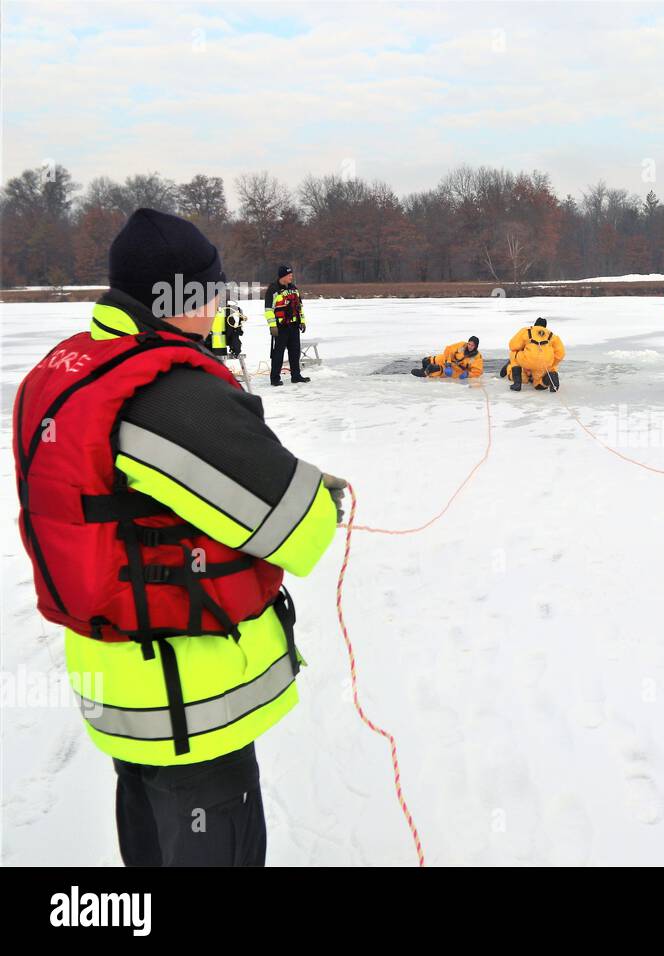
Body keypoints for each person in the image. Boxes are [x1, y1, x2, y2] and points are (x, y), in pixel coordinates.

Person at [12, 208, 347, 866]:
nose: (221, 302)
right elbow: (295, 525)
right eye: (212, 289)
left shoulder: (68, 370)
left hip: (124, 691)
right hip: (188, 700)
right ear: (183, 298)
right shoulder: (165, 394)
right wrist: (325, 499)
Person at [264, 264, 309, 386]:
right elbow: (268, 309)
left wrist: (302, 321)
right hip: (280, 328)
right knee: (278, 354)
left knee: (295, 352)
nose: (291, 277)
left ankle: (296, 376)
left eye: (291, 275)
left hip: (294, 326)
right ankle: (275, 379)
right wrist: (272, 326)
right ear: (282, 276)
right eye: (289, 275)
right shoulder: (273, 290)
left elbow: (299, 307)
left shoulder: (294, 288)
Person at [501, 318, 565, 392]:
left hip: (527, 361)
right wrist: (551, 363)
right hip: (543, 365)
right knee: (539, 385)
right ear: (545, 327)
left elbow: (512, 345)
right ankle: (551, 377)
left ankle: (517, 383)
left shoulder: (527, 330)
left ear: (535, 325)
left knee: (514, 353)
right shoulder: (552, 336)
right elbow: (561, 353)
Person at [411, 336, 483, 379]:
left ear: (476, 346)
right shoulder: (462, 345)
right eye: (469, 344)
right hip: (447, 361)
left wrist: (467, 374)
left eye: (472, 345)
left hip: (456, 369)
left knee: (433, 368)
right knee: (425, 361)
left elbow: (477, 372)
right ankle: (424, 369)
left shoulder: (477, 357)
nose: (470, 346)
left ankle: (425, 373)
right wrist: (448, 363)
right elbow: (449, 349)